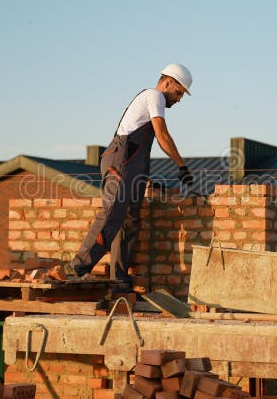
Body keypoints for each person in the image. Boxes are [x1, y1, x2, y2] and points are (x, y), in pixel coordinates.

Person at [70, 63, 195, 290]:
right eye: (178, 92)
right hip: (121, 159)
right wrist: (182, 166)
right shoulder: (154, 95)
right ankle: (77, 269)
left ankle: (119, 279)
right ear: (167, 82)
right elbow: (162, 135)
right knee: (113, 215)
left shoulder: (154, 99)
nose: (179, 100)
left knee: (129, 221)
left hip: (133, 164)